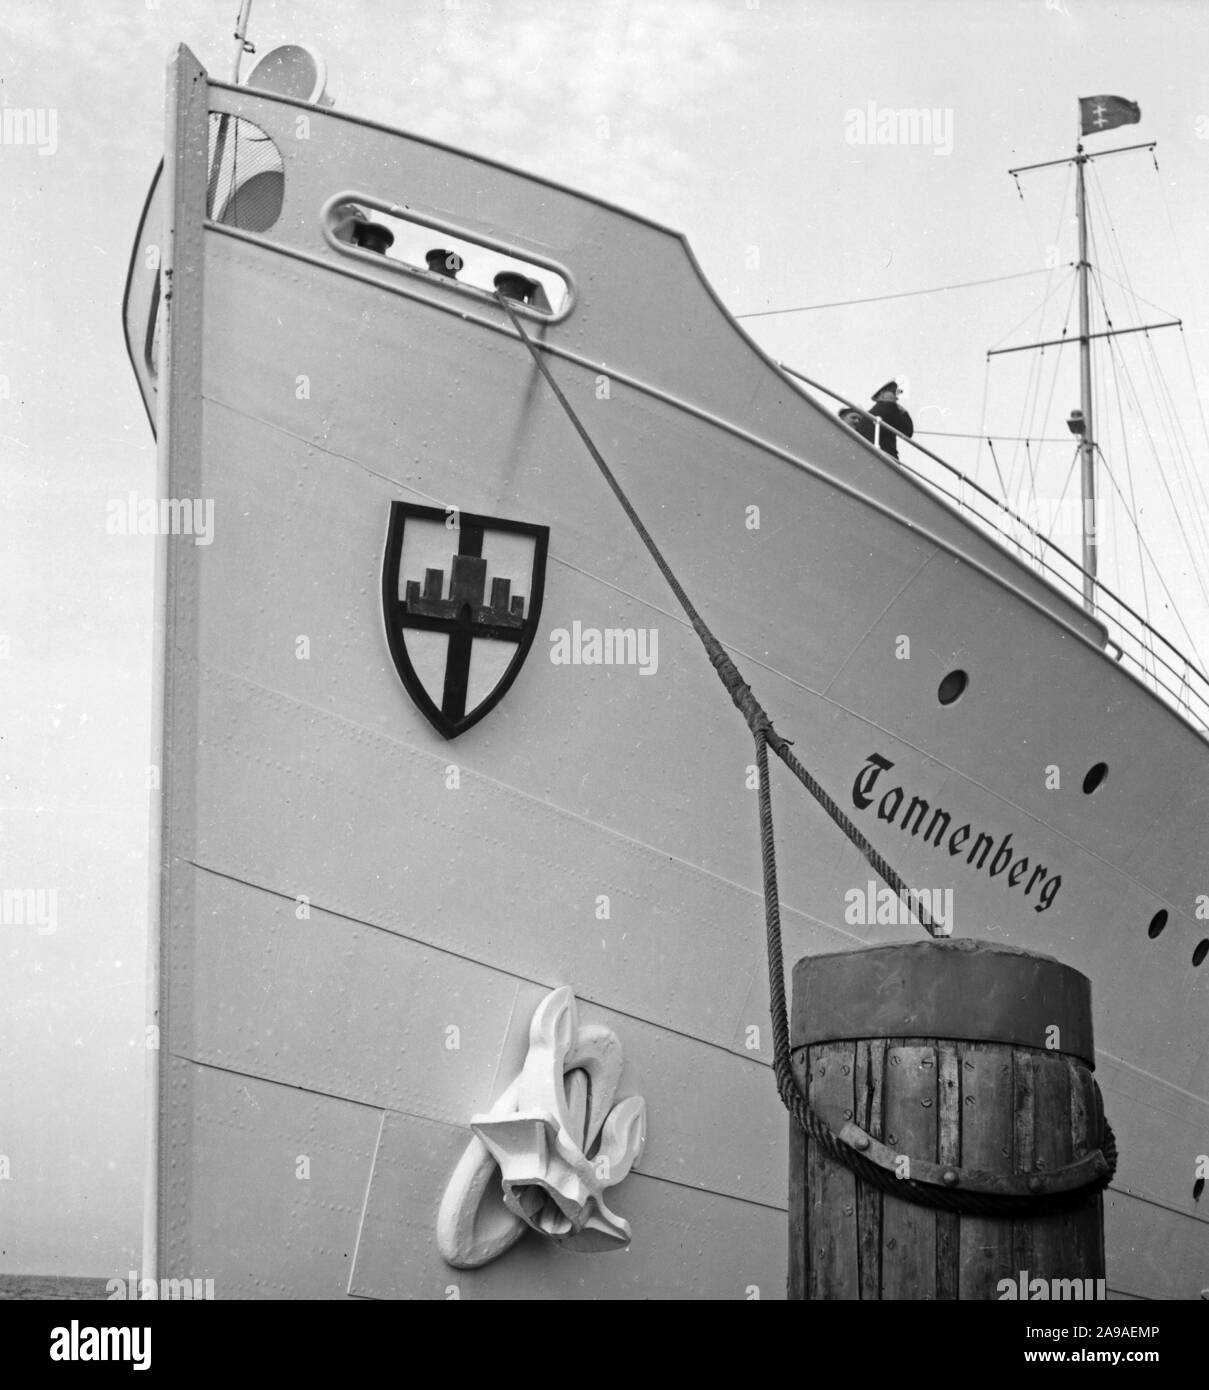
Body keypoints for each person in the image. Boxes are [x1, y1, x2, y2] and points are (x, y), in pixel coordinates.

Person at [868, 380, 914, 459]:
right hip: (886, 457)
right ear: (882, 394)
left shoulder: (870, 413)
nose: (897, 397)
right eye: (893, 392)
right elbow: (907, 432)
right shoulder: (889, 407)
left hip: (869, 454)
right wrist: (904, 412)